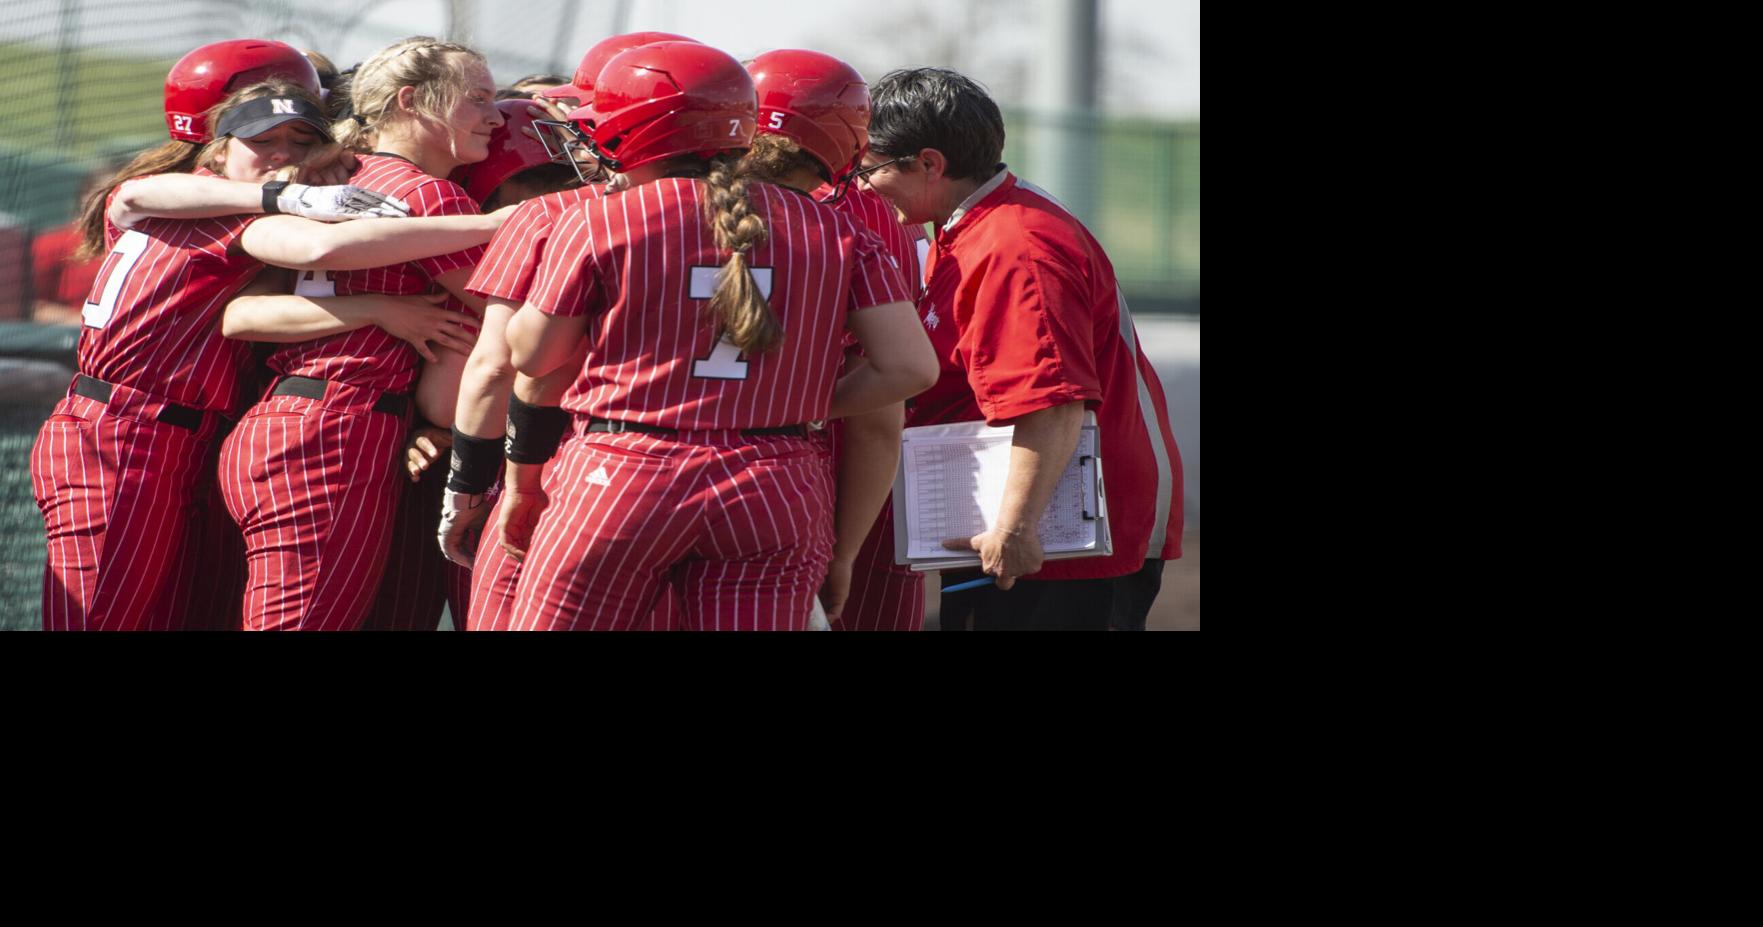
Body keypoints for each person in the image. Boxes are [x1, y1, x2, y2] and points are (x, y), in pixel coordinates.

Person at [30, 41, 505, 632]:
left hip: (202, 436)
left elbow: (151, 210)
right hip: (132, 435)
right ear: (218, 145)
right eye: (262, 140)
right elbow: (313, 248)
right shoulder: (223, 206)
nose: (281, 153)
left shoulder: (193, 193)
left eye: (299, 140)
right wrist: (495, 223)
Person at [499, 41, 936, 631]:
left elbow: (531, 355)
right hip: (776, 479)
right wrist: (794, 403)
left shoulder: (597, 216)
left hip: (624, 471)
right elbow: (911, 369)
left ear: (634, 126)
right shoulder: (838, 227)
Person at [856, 67, 1183, 631]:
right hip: (1027, 524)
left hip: (1061, 541)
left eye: (871, 170)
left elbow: (1052, 403)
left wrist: (1015, 528)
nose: (863, 186)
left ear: (930, 164)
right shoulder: (973, 224)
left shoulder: (1013, 245)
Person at [213, 35, 505, 631]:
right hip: (340, 426)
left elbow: (241, 313)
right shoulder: (427, 192)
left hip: (294, 418)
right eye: (477, 98)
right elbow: (519, 320)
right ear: (412, 101)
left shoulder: (333, 174)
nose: (494, 117)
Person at [433, 31, 701, 633]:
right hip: (755, 469)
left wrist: (467, 489)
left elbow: (502, 366)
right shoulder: (793, 218)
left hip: (578, 467)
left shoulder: (555, 216)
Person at [356, 98, 580, 631]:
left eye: (557, 179)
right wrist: (423, 426)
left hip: (538, 460)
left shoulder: (571, 237)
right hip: (476, 459)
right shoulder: (461, 242)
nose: (547, 197)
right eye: (530, 183)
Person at [741, 48, 928, 629]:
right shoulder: (860, 214)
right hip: (801, 476)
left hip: (628, 467)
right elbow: (886, 401)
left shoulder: (648, 204)